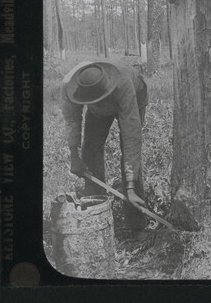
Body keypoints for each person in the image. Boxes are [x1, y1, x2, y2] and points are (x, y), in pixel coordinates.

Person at [61, 60, 149, 240]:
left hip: (134, 95)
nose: (101, 106)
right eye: (94, 102)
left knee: (129, 154)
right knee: (89, 153)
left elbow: (132, 138)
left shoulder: (123, 85)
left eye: (101, 101)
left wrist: (130, 187)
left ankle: (137, 224)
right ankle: (97, 214)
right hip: (97, 104)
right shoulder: (69, 86)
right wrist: (74, 155)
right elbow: (71, 119)